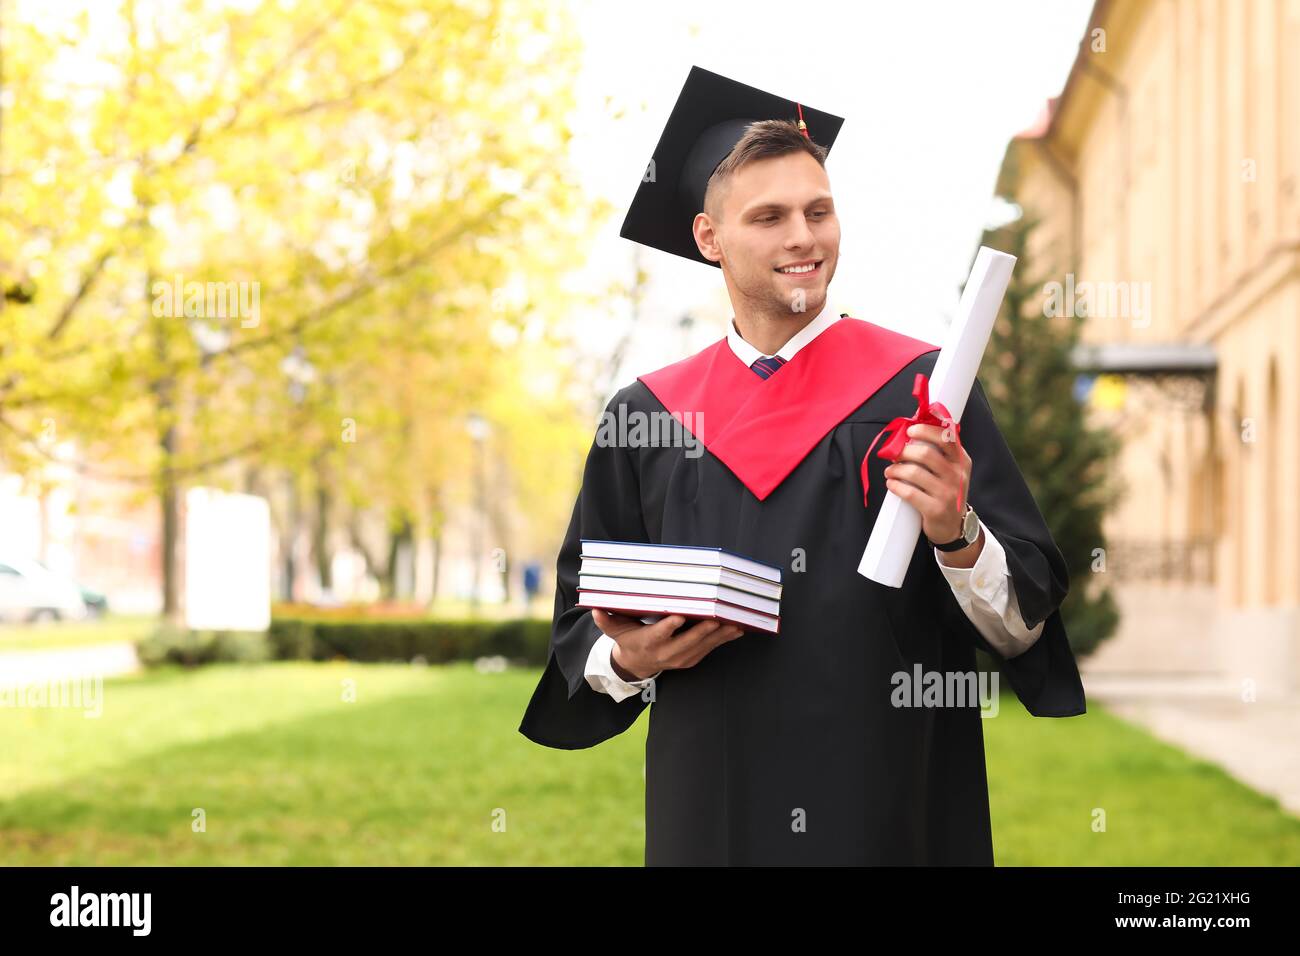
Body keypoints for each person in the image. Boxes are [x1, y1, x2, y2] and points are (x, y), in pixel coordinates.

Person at [518, 66, 1085, 865]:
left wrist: (959, 533)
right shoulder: (645, 417)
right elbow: (582, 631)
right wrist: (630, 656)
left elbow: (1023, 627)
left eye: (819, 211)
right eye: (770, 216)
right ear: (709, 239)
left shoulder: (922, 392)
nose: (803, 238)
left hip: (889, 809)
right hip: (707, 813)